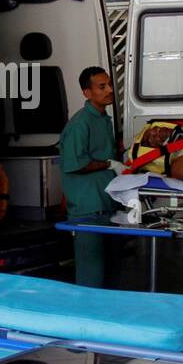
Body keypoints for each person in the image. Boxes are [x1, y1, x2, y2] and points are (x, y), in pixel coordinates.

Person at [59, 66, 122, 287]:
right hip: (88, 209)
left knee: (113, 271)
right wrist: (110, 164)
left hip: (107, 206)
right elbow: (74, 163)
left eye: (110, 85)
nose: (109, 90)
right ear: (87, 93)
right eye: (102, 87)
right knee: (91, 275)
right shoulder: (80, 123)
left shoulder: (104, 119)